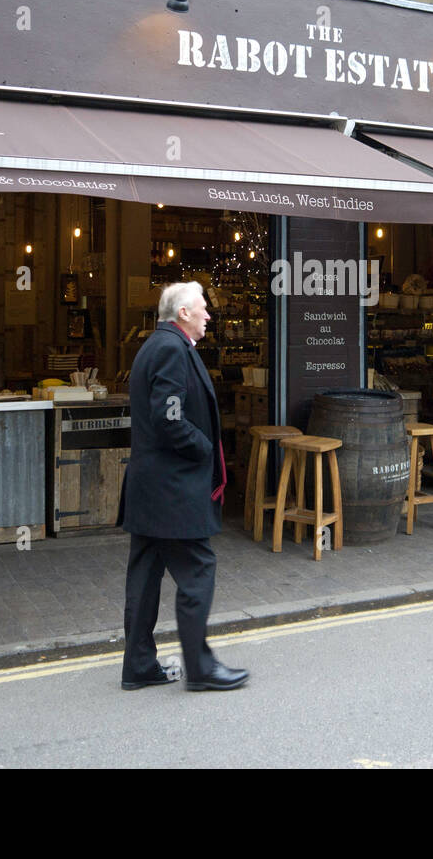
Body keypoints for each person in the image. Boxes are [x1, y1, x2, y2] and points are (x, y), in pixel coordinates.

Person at [117, 281, 249, 692]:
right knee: (198, 571)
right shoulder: (172, 349)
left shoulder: (156, 346)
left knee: (145, 575)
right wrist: (206, 449)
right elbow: (170, 418)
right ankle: (201, 668)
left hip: (150, 488)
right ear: (183, 313)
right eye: (203, 307)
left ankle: (139, 665)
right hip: (171, 490)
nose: (209, 314)